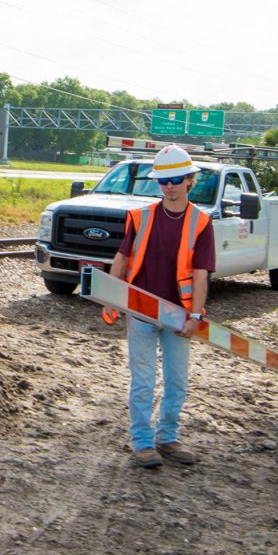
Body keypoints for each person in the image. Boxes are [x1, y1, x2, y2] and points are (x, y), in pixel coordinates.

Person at [109, 144, 215, 468]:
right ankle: (143, 442)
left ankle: (168, 437)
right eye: (163, 180)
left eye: (176, 179)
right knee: (143, 381)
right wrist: (111, 298)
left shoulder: (201, 223)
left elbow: (201, 275)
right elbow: (122, 258)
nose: (169, 186)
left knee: (177, 382)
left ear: (190, 180)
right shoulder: (141, 218)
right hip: (141, 310)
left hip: (179, 315)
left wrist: (195, 316)